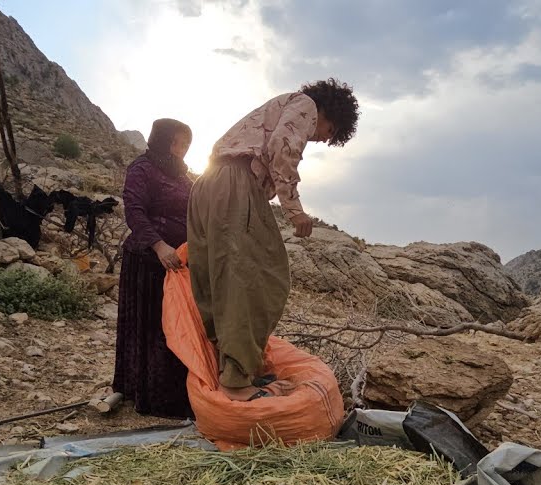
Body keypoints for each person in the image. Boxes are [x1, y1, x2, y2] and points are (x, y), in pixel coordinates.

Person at [188, 78, 360, 402]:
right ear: (328, 113)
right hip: (236, 184)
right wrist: (294, 209)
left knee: (216, 279)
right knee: (260, 278)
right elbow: (283, 145)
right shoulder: (306, 105)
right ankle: (237, 383)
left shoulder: (281, 105)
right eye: (330, 131)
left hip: (208, 184)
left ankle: (225, 369)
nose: (324, 139)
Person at [112, 118, 195, 418]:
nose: (182, 150)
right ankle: (147, 395)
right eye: (177, 142)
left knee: (175, 327)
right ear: (162, 141)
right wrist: (159, 245)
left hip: (177, 264)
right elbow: (134, 211)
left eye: (186, 145)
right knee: (151, 329)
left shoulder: (184, 178)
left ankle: (175, 394)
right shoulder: (142, 169)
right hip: (147, 261)